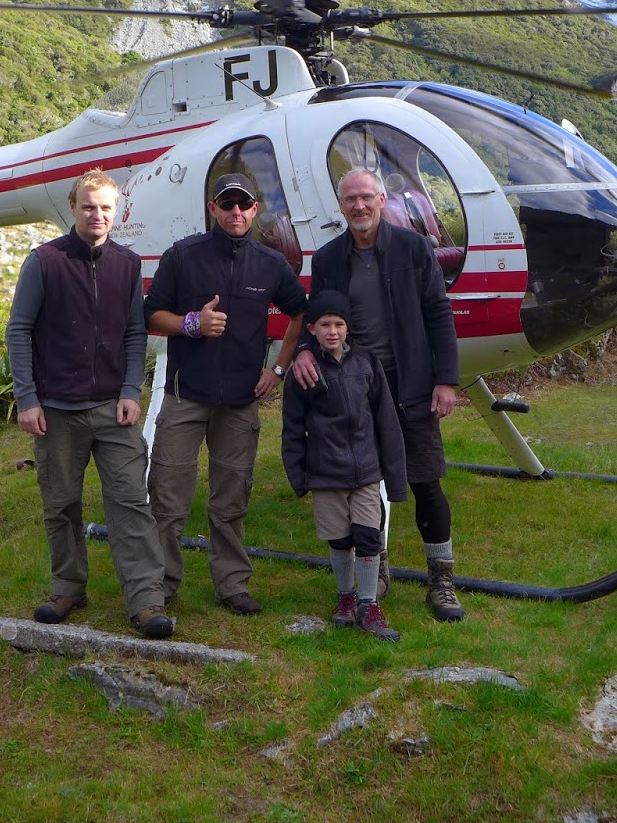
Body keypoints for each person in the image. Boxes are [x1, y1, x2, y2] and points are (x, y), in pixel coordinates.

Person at [291, 166, 465, 622]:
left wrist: (445, 379)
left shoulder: (412, 248)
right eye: (350, 199)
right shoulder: (329, 259)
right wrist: (305, 352)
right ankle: (378, 568)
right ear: (341, 205)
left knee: (425, 480)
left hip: (410, 385)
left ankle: (441, 579)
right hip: (358, 391)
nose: (359, 206)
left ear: (382, 199)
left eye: (367, 197)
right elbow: (318, 315)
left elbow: (438, 313)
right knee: (364, 483)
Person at [5, 168, 172, 640]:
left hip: (112, 408)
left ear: (116, 211)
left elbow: (136, 333)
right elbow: (18, 330)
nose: (97, 215)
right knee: (61, 504)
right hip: (55, 409)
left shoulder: (127, 264)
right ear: (73, 208)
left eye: (105, 208)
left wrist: (128, 391)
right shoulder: (44, 261)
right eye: (88, 207)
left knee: (130, 502)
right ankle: (68, 587)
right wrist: (28, 399)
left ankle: (145, 600)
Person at [144, 172, 308, 615]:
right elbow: (151, 315)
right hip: (185, 395)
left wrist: (278, 368)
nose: (236, 212)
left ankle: (231, 584)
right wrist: (192, 324)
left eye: (244, 205)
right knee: (168, 495)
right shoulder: (183, 256)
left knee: (231, 497)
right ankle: (159, 585)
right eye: (227, 204)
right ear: (213, 209)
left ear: (255, 210)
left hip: (240, 400)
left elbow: (300, 314)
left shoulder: (270, 264)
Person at [281, 289, 407, 641]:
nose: (332, 331)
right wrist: (298, 474)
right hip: (326, 473)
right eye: (325, 325)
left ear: (348, 328)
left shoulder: (367, 364)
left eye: (339, 324)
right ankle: (345, 596)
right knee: (339, 540)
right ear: (312, 329)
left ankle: (368, 603)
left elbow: (386, 422)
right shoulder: (303, 374)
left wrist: (394, 476)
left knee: (368, 536)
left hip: (366, 471)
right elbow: (292, 428)